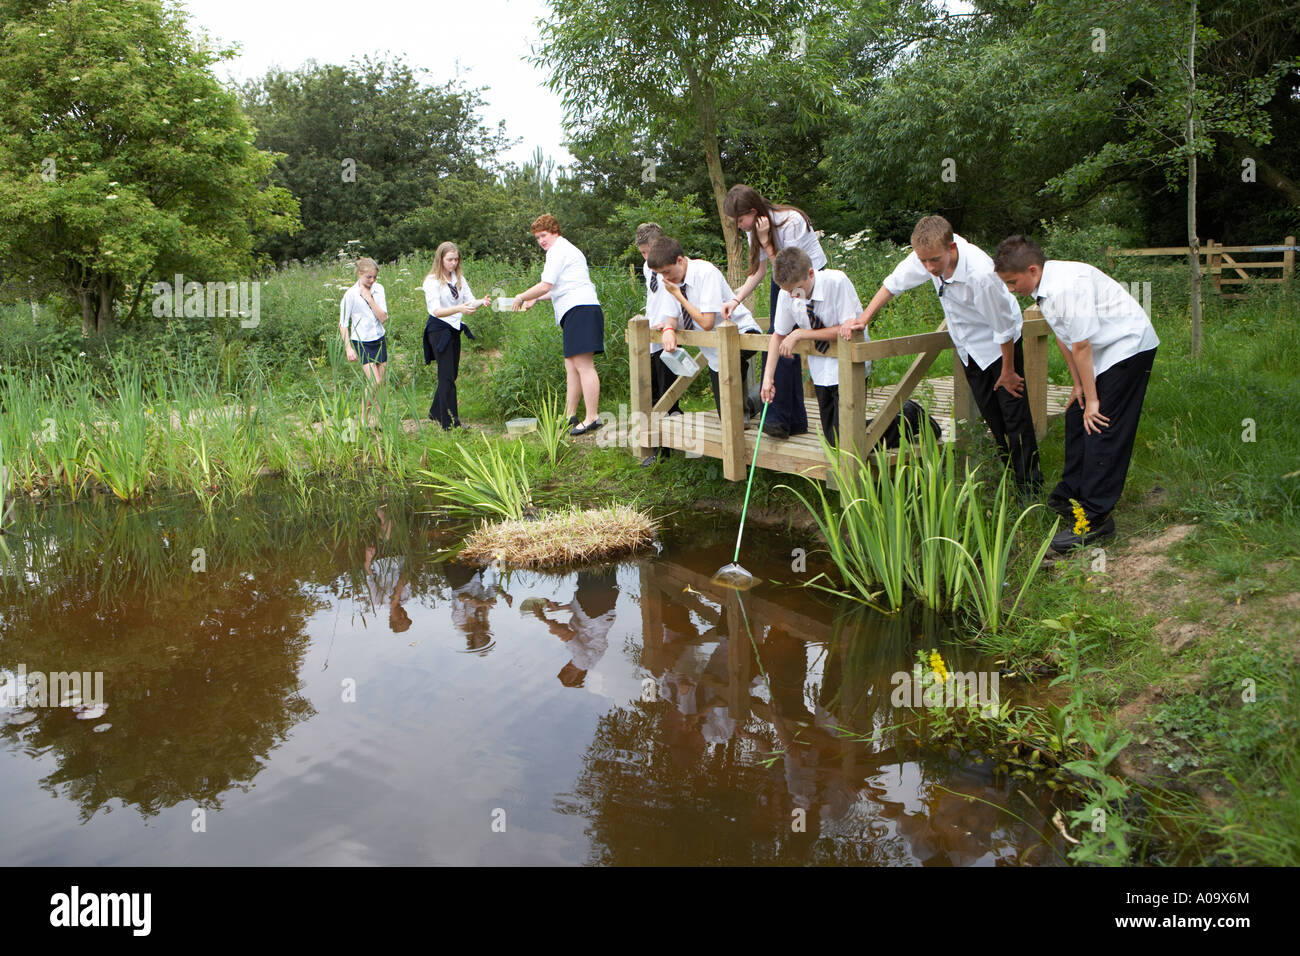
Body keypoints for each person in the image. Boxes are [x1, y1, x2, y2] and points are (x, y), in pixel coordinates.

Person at [842, 215, 1045, 498]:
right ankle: (1013, 477)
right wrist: (864, 319)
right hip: (969, 350)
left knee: (1015, 419)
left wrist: (1008, 371)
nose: (928, 268)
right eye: (923, 261)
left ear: (951, 247)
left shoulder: (981, 275)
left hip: (999, 348)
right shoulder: (927, 255)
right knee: (994, 420)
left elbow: (1005, 327)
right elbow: (893, 284)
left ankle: (1030, 491)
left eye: (934, 261)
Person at [993, 235, 1159, 553]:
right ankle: (1071, 495)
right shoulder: (1045, 288)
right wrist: (1080, 387)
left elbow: (1082, 345)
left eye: (1013, 282)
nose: (1012, 290)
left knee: (1101, 424)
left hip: (1127, 346)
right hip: (1100, 348)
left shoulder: (1066, 287)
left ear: (1032, 270)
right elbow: (1063, 338)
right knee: (1075, 414)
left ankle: (1095, 519)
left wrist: (1094, 400)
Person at [722, 184, 828, 439]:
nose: (739, 226)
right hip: (781, 278)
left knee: (783, 338)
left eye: (740, 220)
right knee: (778, 338)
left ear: (753, 210)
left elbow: (789, 268)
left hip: (809, 278)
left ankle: (778, 417)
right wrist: (735, 299)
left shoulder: (791, 221)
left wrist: (766, 241)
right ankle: (792, 420)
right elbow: (759, 272)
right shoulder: (755, 229)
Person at [646, 236, 763, 418]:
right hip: (713, 350)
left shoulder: (705, 272)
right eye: (660, 274)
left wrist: (679, 296)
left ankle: (743, 414)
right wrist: (669, 329)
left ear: (680, 260)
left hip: (742, 333)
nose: (665, 277)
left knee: (733, 413)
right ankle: (756, 401)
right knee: (726, 413)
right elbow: (672, 318)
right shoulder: (671, 283)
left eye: (667, 271)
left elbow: (707, 323)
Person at [763, 247, 868, 445]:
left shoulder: (836, 282)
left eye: (796, 290)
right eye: (787, 292)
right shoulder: (787, 293)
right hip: (821, 370)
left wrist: (802, 333)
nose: (792, 296)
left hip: (849, 366)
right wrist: (768, 378)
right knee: (833, 438)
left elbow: (849, 329)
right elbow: (778, 335)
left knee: (847, 437)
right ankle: (904, 419)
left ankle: (908, 417)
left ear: (811, 273)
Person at [513, 214, 605, 436]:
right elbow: (560, 287)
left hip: (581, 309)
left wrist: (522, 296)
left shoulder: (558, 250)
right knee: (571, 367)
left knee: (584, 366)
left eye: (543, 235)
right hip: (575, 310)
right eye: (537, 238)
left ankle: (592, 417)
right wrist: (534, 299)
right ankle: (569, 416)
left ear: (555, 231)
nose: (541, 241)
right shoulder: (563, 250)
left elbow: (546, 285)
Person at [422, 241, 488, 430]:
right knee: (446, 377)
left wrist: (481, 302)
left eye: (456, 259)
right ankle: (450, 423)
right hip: (438, 330)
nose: (453, 263)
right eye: (449, 259)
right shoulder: (432, 281)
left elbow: (469, 301)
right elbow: (436, 310)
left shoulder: (458, 278)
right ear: (440, 259)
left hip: (454, 328)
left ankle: (435, 413)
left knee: (451, 374)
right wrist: (459, 309)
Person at [635, 222, 683, 467]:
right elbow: (652, 296)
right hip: (652, 333)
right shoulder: (647, 267)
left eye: (648, 251)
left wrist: (667, 323)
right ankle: (657, 446)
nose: (646, 257)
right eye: (643, 253)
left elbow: (673, 297)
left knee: (669, 391)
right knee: (652, 391)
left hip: (668, 332)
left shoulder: (670, 266)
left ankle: (671, 447)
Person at [338, 257, 388, 427]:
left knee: (382, 382)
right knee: (375, 381)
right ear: (359, 274)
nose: (372, 280)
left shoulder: (379, 290)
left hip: (378, 337)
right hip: (361, 340)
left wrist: (369, 298)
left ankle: (380, 419)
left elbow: (383, 318)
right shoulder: (350, 295)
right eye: (368, 277)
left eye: (374, 277)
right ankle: (363, 418)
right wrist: (348, 348)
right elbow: (343, 324)